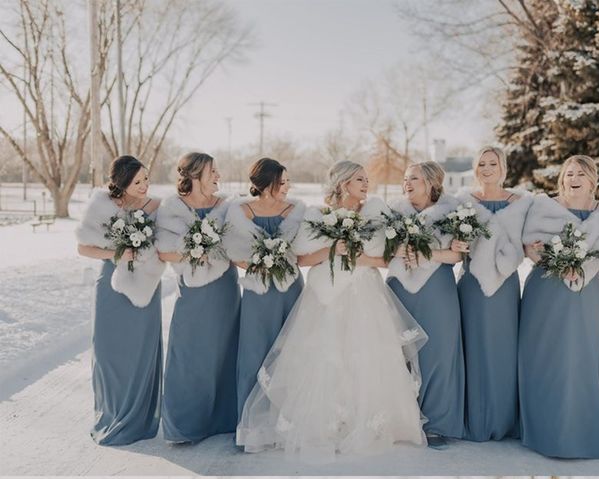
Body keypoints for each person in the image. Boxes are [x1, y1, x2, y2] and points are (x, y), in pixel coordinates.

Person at [236, 161, 426, 459]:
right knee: (326, 355)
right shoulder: (318, 215)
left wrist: (360, 259)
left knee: (367, 356)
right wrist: (333, 249)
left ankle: (369, 422)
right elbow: (300, 258)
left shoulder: (376, 212)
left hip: (365, 292)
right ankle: (326, 422)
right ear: (342, 183)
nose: (366, 183)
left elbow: (387, 258)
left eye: (367, 178)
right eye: (359, 179)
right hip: (326, 295)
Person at [518, 156, 599, 459]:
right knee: (546, 357)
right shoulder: (543, 206)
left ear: (592, 180)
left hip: (587, 291)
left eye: (581, 173)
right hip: (546, 290)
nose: (573, 178)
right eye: (568, 173)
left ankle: (582, 431)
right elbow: (530, 245)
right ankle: (544, 430)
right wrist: (552, 261)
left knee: (582, 357)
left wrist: (583, 268)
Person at [76, 155, 164, 445]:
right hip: (110, 288)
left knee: (141, 353)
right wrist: (117, 253)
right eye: (137, 181)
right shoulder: (102, 205)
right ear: (121, 182)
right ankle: (111, 415)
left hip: (145, 289)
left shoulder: (157, 207)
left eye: (146, 179)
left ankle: (138, 419)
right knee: (108, 354)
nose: (144, 185)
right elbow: (84, 248)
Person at [156, 152, 240, 443]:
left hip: (225, 290)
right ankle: (186, 425)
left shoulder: (228, 207)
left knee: (223, 350)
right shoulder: (172, 209)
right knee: (188, 353)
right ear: (194, 175)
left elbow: (239, 246)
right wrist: (193, 251)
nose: (218, 176)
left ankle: (222, 420)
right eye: (212, 171)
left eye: (217, 171)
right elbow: (163, 250)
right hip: (192, 291)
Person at [456, 146, 532, 441]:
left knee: (504, 349)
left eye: (493, 163)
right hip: (472, 284)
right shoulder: (464, 202)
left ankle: (505, 420)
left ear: (503, 167)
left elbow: (528, 243)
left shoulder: (521, 204)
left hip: (506, 285)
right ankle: (475, 418)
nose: (487, 168)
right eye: (482, 164)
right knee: (473, 348)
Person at [386, 162, 465, 444]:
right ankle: (399, 420)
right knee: (398, 353)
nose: (407, 183)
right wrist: (399, 249)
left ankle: (437, 423)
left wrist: (427, 254)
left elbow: (457, 256)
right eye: (405, 179)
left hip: (436, 289)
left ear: (432, 182)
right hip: (398, 287)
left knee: (438, 353)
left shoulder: (453, 211)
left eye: (414, 179)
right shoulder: (393, 211)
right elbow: (381, 250)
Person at [223, 157, 305, 418]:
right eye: (282, 182)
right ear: (266, 183)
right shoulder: (241, 211)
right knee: (254, 350)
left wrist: (284, 259)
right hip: (257, 291)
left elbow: (303, 250)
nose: (287, 187)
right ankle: (250, 421)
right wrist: (254, 264)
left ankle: (288, 419)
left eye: (288, 181)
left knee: (290, 349)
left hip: (289, 288)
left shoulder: (296, 210)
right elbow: (229, 250)